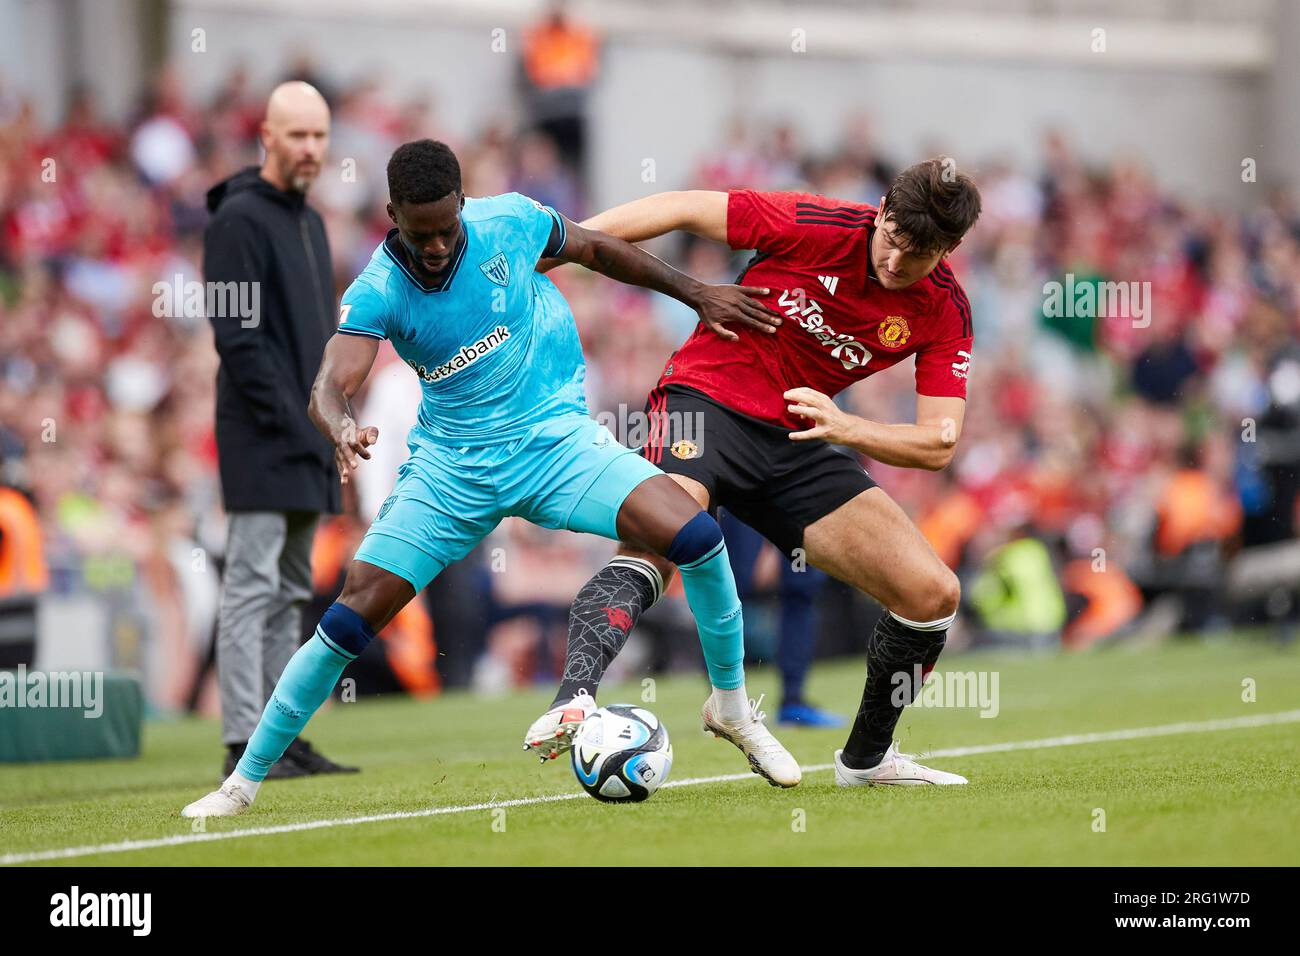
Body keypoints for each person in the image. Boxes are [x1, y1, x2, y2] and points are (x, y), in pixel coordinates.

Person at [180, 138, 799, 818]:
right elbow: (334, 378)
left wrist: (695, 292)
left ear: (463, 206)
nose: (439, 245)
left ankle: (733, 709)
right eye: (422, 234)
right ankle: (242, 782)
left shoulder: (510, 220)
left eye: (448, 228)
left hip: (556, 445)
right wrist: (338, 422)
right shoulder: (379, 289)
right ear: (392, 215)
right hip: (454, 473)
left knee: (697, 536)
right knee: (353, 611)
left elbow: (595, 248)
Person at [529, 159, 980, 785]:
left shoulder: (945, 309)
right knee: (665, 537)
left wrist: (848, 428)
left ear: (950, 250)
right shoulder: (817, 225)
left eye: (921, 256)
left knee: (933, 594)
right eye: (894, 242)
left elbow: (939, 442)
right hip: (704, 402)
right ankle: (573, 698)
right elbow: (685, 205)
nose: (898, 265)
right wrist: (560, 244)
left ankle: (866, 760)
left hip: (800, 436)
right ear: (881, 213)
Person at [203, 81, 355, 780]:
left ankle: (282, 735)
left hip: (304, 436)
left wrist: (327, 421)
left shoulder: (311, 221)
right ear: (266, 135)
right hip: (263, 436)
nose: (311, 149)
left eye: (320, 136)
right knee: (251, 586)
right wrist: (307, 421)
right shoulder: (236, 219)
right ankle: (243, 739)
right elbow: (239, 341)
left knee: (293, 588)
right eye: (297, 135)